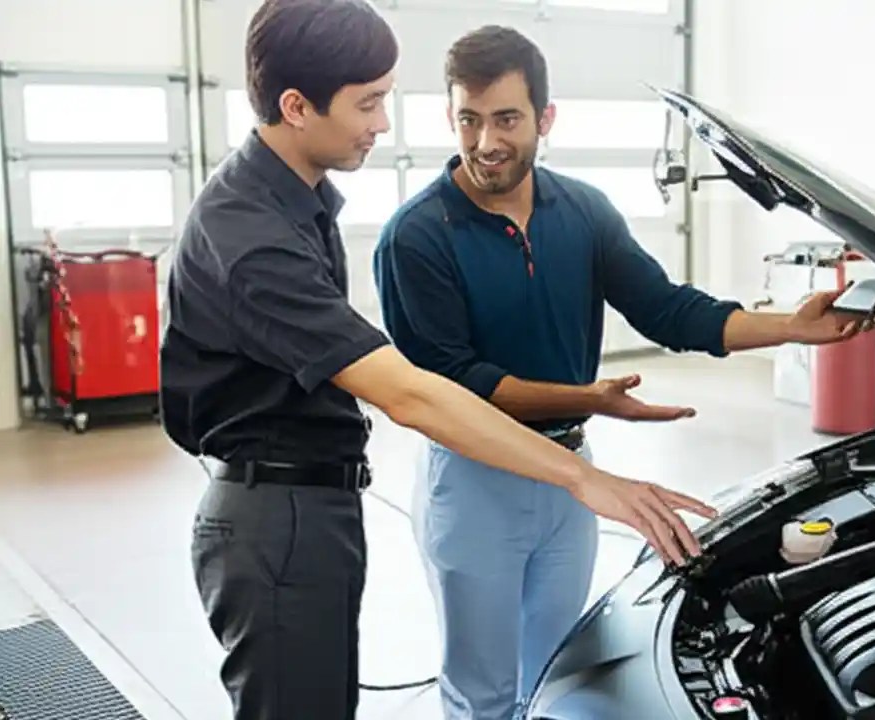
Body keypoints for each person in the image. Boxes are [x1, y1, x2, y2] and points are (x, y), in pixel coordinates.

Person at [160, 4, 714, 719]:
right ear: (296, 106)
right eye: (367, 102)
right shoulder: (254, 237)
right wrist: (584, 475)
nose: (382, 123)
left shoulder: (297, 205)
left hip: (313, 502)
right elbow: (414, 394)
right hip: (278, 518)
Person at [371, 24, 875, 720]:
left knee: (554, 675)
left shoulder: (582, 211)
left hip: (570, 485)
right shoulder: (417, 235)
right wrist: (590, 398)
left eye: (507, 119)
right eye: (469, 119)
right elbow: (456, 383)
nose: (487, 141)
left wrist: (791, 325)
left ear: (545, 119)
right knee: (481, 692)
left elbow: (670, 310)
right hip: (474, 484)